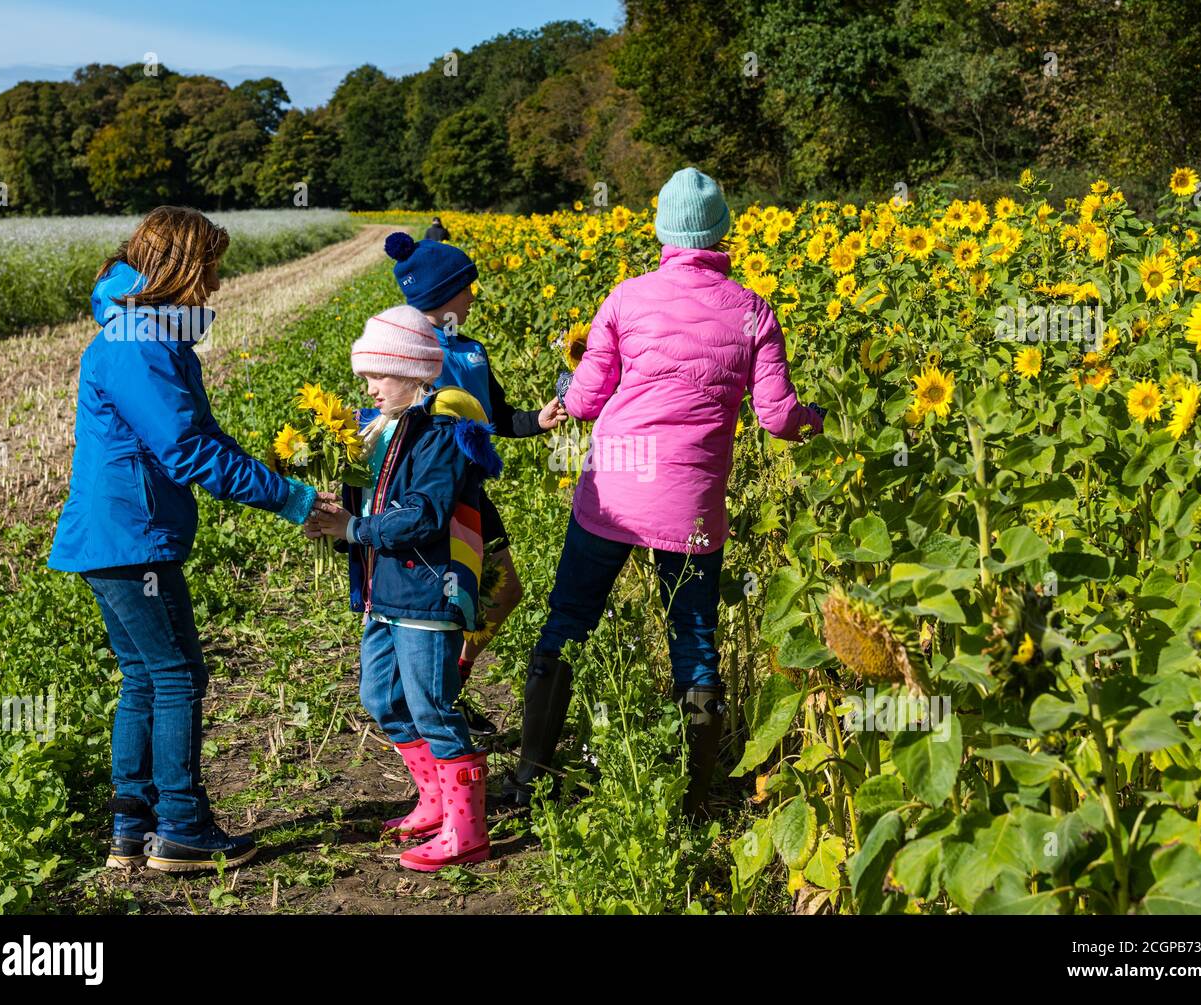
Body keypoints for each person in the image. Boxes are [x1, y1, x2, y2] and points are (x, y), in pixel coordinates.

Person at [505, 168, 825, 815]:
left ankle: (529, 776)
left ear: (661, 231)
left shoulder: (627, 298)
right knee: (695, 639)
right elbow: (777, 417)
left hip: (615, 488)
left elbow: (589, 398)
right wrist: (822, 418)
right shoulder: (752, 311)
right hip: (691, 505)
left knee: (567, 622)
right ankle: (692, 800)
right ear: (722, 232)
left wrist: (561, 399)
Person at [48, 206, 321, 872]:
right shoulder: (138, 341)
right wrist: (290, 500)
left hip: (118, 537)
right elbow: (188, 451)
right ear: (178, 266)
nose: (217, 284)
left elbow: (203, 434)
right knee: (177, 676)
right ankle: (181, 826)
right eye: (211, 268)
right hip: (131, 537)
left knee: (144, 676)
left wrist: (282, 486)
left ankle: (132, 830)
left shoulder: (139, 332)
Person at [307, 304, 502, 871]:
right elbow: (369, 506)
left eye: (375, 374)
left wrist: (355, 528)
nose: (365, 385)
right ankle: (435, 802)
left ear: (413, 371)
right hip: (384, 595)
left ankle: (468, 832)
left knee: (432, 707)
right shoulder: (384, 432)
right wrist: (332, 517)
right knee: (381, 698)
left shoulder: (438, 437)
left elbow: (423, 515)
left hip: (425, 595)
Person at [384, 231, 566, 734]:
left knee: (504, 592)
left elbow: (498, 414)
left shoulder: (472, 351)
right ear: (441, 295)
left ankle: (448, 688)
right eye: (467, 288)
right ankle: (428, 707)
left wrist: (537, 420)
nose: (473, 296)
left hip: (472, 494)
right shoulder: (410, 353)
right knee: (441, 604)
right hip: (432, 501)